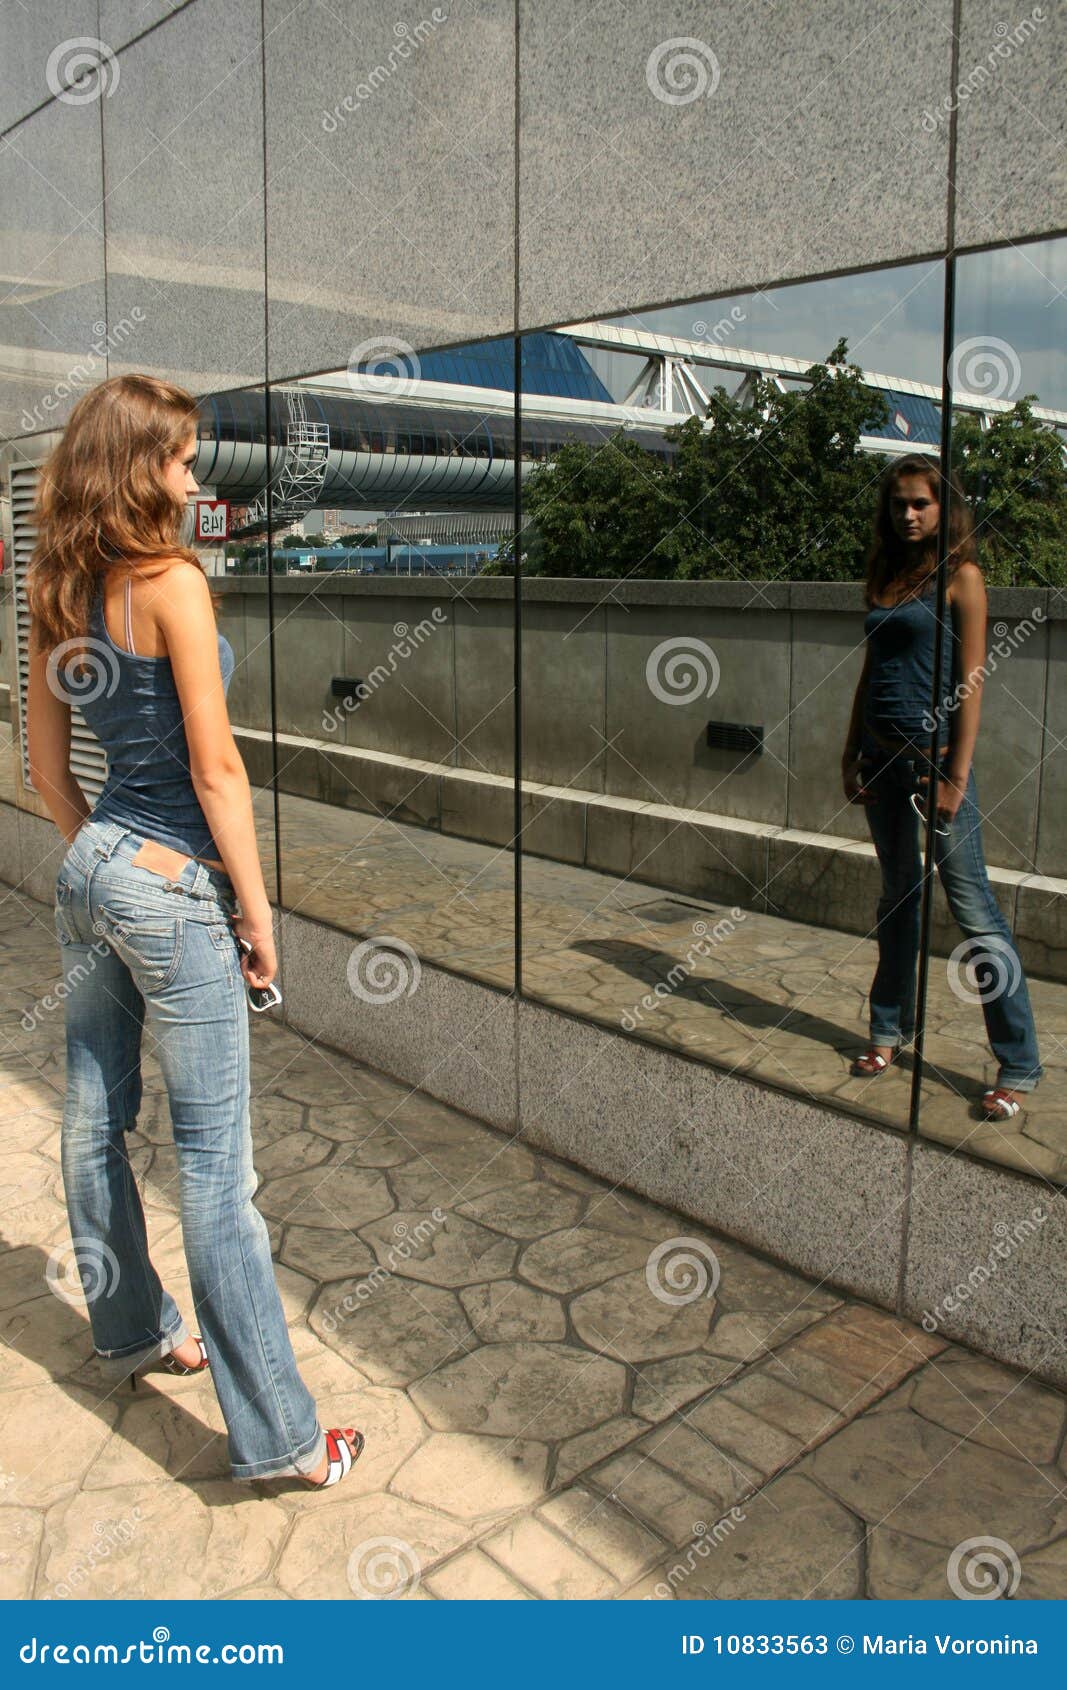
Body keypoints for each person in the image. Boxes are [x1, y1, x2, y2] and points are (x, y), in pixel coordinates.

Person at [25, 373, 364, 1489]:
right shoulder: (171, 582)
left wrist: (103, 856)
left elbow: (41, 767)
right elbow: (218, 769)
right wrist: (255, 915)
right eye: (178, 456)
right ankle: (284, 1440)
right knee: (218, 1171)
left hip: (92, 869)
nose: (192, 473)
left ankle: (130, 1331)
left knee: (94, 1119)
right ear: (138, 466)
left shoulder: (55, 585)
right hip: (172, 887)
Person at [840, 452, 1042, 1119]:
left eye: (920, 503)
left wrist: (956, 775)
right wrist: (849, 751)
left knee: (973, 908)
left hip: (934, 764)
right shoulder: (886, 574)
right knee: (897, 898)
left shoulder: (962, 577)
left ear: (943, 507)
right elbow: (870, 670)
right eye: (899, 503)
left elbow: (973, 680)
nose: (908, 514)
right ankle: (887, 1031)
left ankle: (1017, 1063)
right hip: (880, 758)